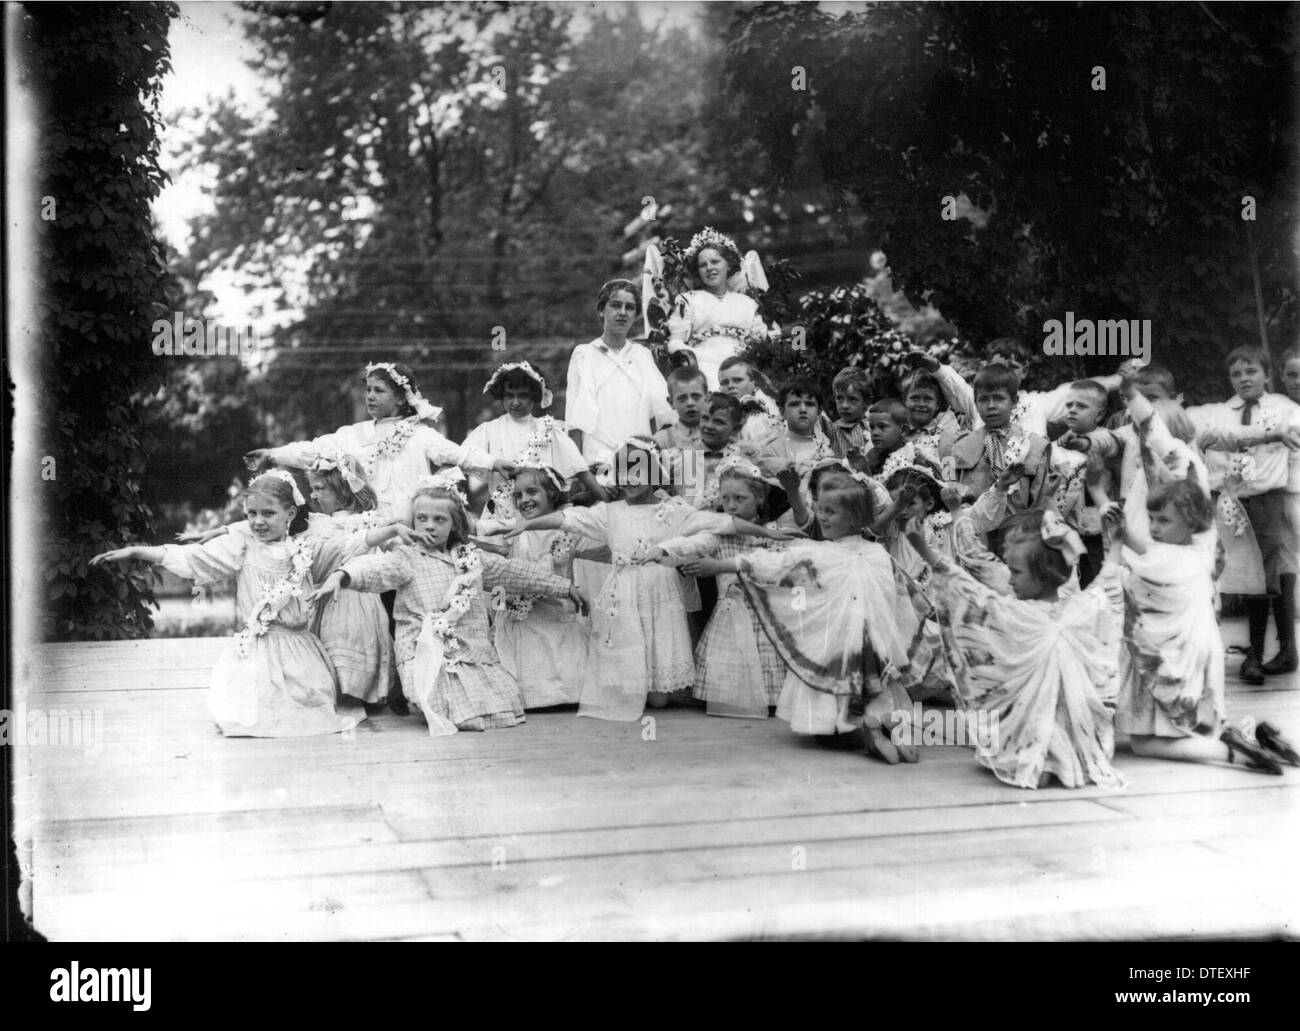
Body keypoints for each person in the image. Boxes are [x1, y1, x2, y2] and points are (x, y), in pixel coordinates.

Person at [500, 437, 793, 720]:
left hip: (659, 592)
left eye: (638, 469)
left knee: (659, 699)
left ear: (656, 472)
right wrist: (528, 525)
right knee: (629, 678)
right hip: (625, 591)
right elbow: (567, 519)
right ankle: (631, 680)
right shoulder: (609, 512)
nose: (629, 478)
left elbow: (722, 522)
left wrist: (766, 532)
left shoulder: (674, 510)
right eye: (623, 471)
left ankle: (655, 682)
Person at [91, 471, 367, 738]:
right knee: (252, 709)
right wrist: (139, 551)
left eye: (268, 513)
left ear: (290, 514)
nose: (258, 522)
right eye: (251, 514)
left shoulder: (305, 549)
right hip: (260, 648)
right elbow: (197, 557)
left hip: (299, 648)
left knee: (307, 703)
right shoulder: (242, 548)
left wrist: (389, 531)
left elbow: (348, 546)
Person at [683, 473, 930, 764]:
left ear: (854, 517)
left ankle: (867, 733)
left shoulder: (823, 555)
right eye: (820, 509)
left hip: (837, 656)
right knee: (875, 696)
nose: (821, 517)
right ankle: (886, 727)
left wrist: (720, 565)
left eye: (829, 511)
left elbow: (776, 565)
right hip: (877, 656)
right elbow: (906, 596)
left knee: (824, 732)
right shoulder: (879, 553)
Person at [313, 475, 586, 736]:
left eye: (439, 519)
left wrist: (563, 587)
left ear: (455, 525)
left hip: (469, 646)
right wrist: (342, 575)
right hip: (425, 649)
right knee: (447, 706)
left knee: (501, 705)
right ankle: (419, 697)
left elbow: (514, 573)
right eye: (422, 519)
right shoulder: (406, 557)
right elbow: (374, 568)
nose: (429, 526)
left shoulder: (471, 557)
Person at [905, 506, 1126, 789]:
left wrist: (926, 551)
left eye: (1016, 572)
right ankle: (1055, 756)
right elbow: (1108, 588)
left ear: (1043, 573)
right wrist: (1116, 544)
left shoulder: (1018, 615)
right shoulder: (1081, 609)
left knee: (977, 732)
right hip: (1072, 726)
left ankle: (898, 726)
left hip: (1029, 722)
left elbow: (970, 593)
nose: (1009, 579)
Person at [1109, 482, 1295, 774]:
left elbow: (1131, 557)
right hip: (1200, 655)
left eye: (1164, 520)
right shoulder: (1201, 550)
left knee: (1143, 744)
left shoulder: (1165, 559)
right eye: (1152, 519)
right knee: (1194, 726)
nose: (1154, 527)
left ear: (1191, 521)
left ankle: (1229, 751)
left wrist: (1106, 515)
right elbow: (1147, 548)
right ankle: (1257, 741)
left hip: (1171, 658)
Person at [244, 362, 512, 517]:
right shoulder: (353, 434)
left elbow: (456, 454)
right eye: (368, 389)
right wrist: (272, 453)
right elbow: (312, 451)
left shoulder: (420, 435)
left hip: (409, 524)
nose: (370, 396)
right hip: (368, 526)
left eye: (379, 391)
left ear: (399, 397)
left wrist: (493, 462)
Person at [650, 457, 791, 719]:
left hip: (766, 612)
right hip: (730, 610)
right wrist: (665, 550)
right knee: (729, 658)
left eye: (740, 498)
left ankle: (768, 697)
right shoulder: (718, 533)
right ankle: (727, 696)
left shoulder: (772, 532)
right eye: (726, 499)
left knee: (766, 654)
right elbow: (692, 544)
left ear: (759, 498)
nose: (732, 506)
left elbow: (775, 567)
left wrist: (719, 566)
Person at [1191, 345, 1300, 682]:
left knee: (1270, 576)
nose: (1243, 379)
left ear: (1268, 375)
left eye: (1251, 371)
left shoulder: (1285, 409)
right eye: (1236, 374)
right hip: (1236, 501)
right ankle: (1263, 651)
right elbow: (1218, 451)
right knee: (1243, 576)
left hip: (1270, 499)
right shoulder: (1224, 412)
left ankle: (1262, 653)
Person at [489, 466, 590, 709]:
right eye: (518, 496)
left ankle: (564, 694)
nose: (524, 500)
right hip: (522, 615)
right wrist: (497, 612)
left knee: (559, 652)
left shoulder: (566, 527)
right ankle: (530, 696)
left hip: (556, 611)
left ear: (552, 493)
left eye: (531, 492)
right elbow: (499, 575)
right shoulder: (514, 529)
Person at [465, 360, 598, 532]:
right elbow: (463, 456)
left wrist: (601, 496)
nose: (515, 402)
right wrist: (493, 462)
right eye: (509, 396)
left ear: (535, 396)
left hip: (541, 517)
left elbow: (578, 466)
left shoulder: (548, 429)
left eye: (523, 396)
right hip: (501, 515)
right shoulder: (489, 430)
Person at [564, 279, 673, 468]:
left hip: (639, 461)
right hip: (598, 461)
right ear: (601, 310)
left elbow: (663, 413)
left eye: (629, 308)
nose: (622, 313)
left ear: (635, 315)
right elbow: (574, 421)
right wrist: (580, 473)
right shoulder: (584, 354)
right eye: (615, 305)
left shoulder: (642, 355)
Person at [663, 227, 778, 389]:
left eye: (715, 262)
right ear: (698, 271)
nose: (710, 268)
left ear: (729, 265)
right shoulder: (688, 300)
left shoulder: (747, 303)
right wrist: (689, 356)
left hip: (743, 366)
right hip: (704, 365)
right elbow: (675, 340)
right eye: (703, 265)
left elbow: (761, 339)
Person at [718, 356, 784, 441]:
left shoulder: (766, 411)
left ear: (754, 384)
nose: (731, 386)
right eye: (724, 382)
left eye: (737, 380)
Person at [828, 366, 872, 458]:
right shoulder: (832, 430)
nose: (845, 406)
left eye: (852, 399)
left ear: (866, 402)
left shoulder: (873, 426)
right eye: (839, 398)